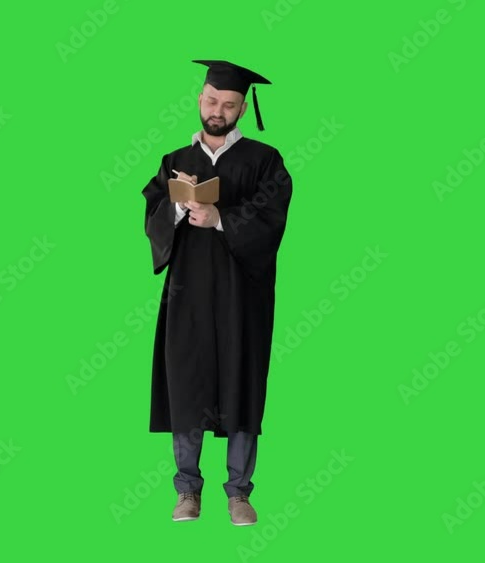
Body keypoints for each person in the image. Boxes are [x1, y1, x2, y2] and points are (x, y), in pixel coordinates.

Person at [140, 60, 293, 526]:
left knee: (241, 383)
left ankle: (238, 493)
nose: (217, 111)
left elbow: (273, 218)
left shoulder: (264, 160)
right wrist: (180, 209)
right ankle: (187, 490)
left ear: (243, 108)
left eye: (228, 104)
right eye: (211, 100)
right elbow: (152, 214)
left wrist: (221, 219)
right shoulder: (176, 160)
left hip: (241, 298)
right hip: (185, 296)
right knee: (186, 385)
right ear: (200, 98)